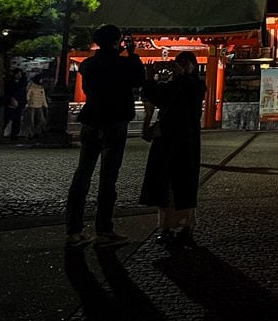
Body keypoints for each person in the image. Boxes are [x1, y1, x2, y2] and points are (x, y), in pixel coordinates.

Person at [65, 24, 146, 248]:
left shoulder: (88, 65)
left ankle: (73, 230)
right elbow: (139, 80)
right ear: (117, 42)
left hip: (91, 119)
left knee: (83, 173)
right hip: (115, 120)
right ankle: (103, 229)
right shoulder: (124, 64)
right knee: (108, 177)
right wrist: (132, 54)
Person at [138, 51, 206, 248]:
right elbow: (153, 96)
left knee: (184, 184)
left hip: (186, 140)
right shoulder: (169, 86)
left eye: (186, 63)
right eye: (179, 63)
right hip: (167, 138)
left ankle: (186, 226)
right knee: (165, 184)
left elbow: (194, 95)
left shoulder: (196, 85)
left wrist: (183, 75)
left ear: (193, 66)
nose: (182, 66)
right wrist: (149, 76)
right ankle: (165, 227)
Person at [3, 68, 28, 142]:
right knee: (7, 118)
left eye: (20, 74)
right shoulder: (10, 83)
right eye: (17, 74)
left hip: (19, 103)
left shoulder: (22, 83)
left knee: (17, 120)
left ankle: (14, 135)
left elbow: (23, 94)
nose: (19, 75)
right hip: (11, 102)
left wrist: (23, 103)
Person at [25, 74, 49, 140]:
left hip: (38, 105)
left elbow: (43, 97)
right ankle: (31, 133)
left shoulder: (40, 87)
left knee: (38, 120)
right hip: (32, 105)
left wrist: (45, 105)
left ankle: (36, 132)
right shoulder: (32, 87)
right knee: (32, 120)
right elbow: (28, 96)